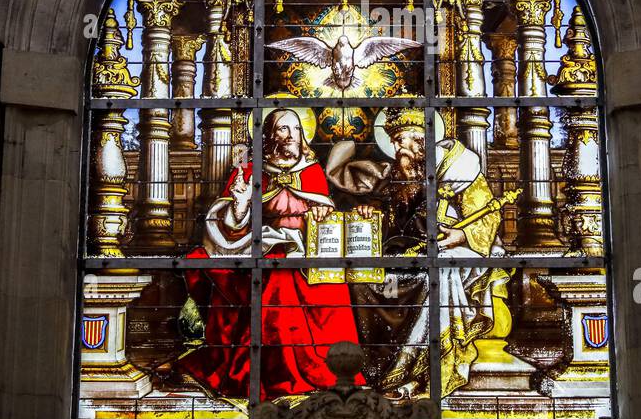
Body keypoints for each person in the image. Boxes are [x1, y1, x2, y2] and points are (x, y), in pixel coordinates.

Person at [326, 109, 511, 399]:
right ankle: (379, 372)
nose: (399, 148)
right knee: (363, 283)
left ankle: (421, 374)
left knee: (436, 277)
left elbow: (486, 218)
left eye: (403, 141)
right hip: (403, 258)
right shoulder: (394, 179)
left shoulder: (458, 168)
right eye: (396, 142)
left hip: (450, 250)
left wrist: (460, 235)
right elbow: (393, 224)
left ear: (422, 140)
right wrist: (370, 213)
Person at [180, 108, 364, 400]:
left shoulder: (312, 170)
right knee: (278, 282)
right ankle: (277, 375)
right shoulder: (251, 171)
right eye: (282, 129)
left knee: (334, 285)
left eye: (295, 129)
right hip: (263, 243)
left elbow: (324, 213)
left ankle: (336, 369)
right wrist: (240, 206)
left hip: (307, 247)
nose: (290, 136)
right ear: (269, 135)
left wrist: (320, 213)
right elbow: (229, 224)